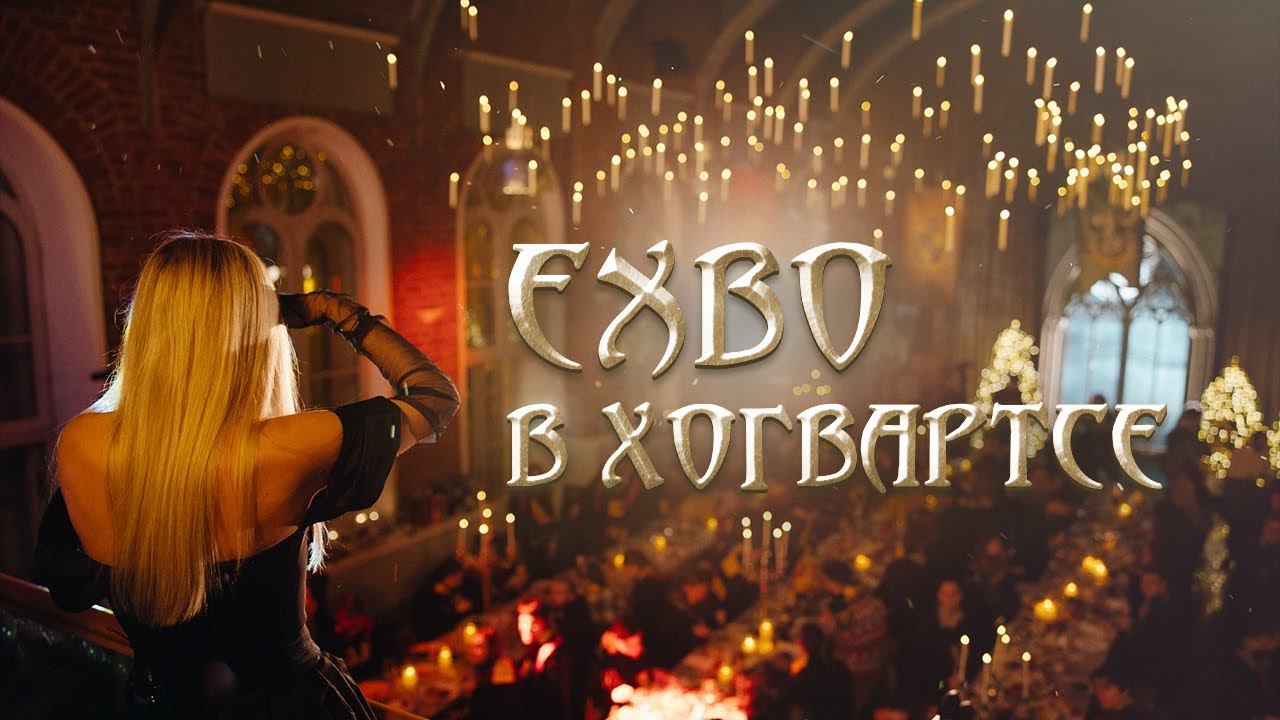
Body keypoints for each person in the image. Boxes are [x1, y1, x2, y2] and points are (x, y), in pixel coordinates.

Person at [33, 232, 460, 718]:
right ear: (258, 322)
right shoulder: (287, 446)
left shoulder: (83, 442)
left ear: (148, 324)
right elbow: (435, 398)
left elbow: (68, 589)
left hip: (165, 706)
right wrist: (336, 312)